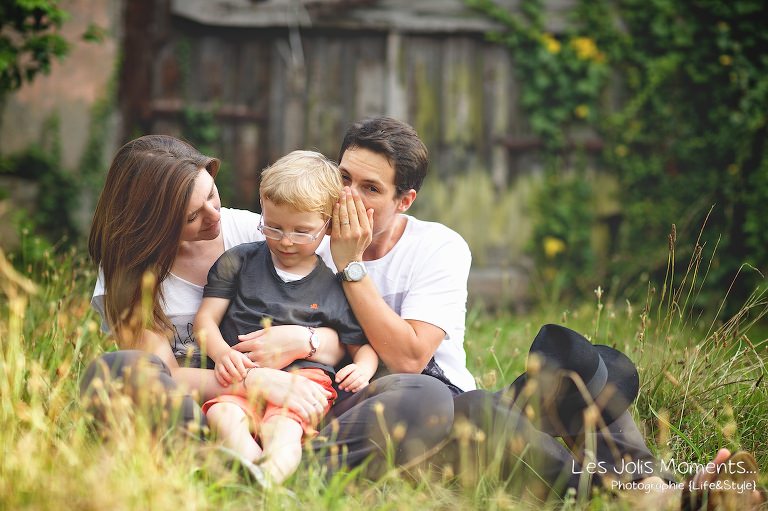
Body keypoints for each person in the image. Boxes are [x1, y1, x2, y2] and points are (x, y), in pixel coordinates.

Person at [316, 116, 765, 507]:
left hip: (457, 399)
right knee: (476, 412)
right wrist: (347, 263)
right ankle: (637, 499)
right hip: (405, 422)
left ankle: (653, 485)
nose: (349, 197)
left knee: (573, 355)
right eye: (344, 178)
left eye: (370, 188)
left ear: (404, 200)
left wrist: (352, 266)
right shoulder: (298, 240)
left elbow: (415, 350)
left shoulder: (437, 245)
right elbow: (408, 364)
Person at [81, 134, 453, 479]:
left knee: (426, 395)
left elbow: (335, 322)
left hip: (303, 402)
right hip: (207, 405)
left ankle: (271, 471)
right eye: (192, 216)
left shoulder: (260, 229)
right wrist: (254, 382)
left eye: (212, 195)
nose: (215, 216)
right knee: (116, 371)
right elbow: (166, 375)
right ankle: (231, 461)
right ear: (151, 223)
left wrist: (307, 341)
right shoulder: (128, 276)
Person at [194, 150, 378, 484]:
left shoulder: (334, 286)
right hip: (244, 374)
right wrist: (223, 355)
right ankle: (255, 472)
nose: (286, 241)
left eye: (302, 231)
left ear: (328, 223)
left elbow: (361, 346)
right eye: (273, 227)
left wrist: (363, 369)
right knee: (222, 414)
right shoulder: (238, 262)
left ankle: (271, 474)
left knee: (282, 429)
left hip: (303, 384)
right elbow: (205, 321)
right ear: (262, 206)